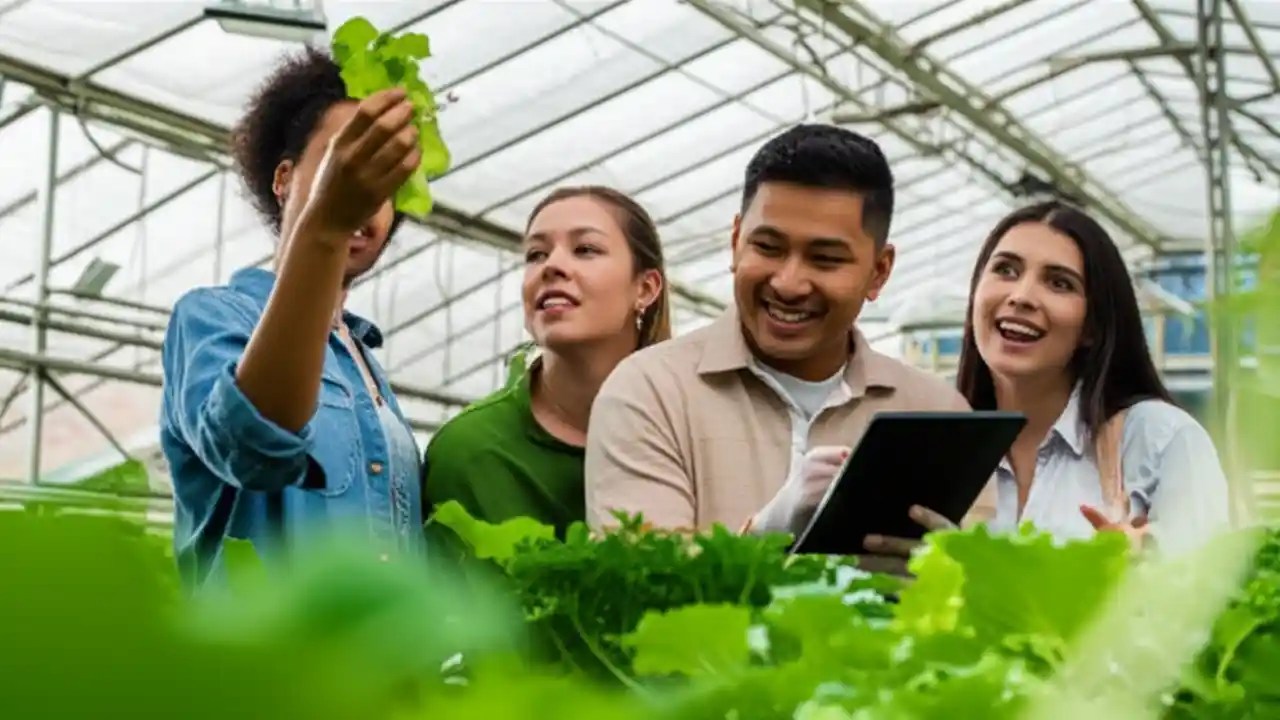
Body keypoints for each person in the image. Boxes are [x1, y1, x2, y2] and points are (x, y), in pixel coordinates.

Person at [583, 124, 972, 568]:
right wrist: (768, 532)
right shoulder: (650, 392)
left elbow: (981, 600)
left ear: (879, 272)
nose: (788, 283)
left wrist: (953, 571)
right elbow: (637, 579)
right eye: (767, 247)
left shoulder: (936, 413)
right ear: (735, 242)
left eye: (825, 259)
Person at [159, 48, 425, 588]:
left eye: (382, 182)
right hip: (262, 667)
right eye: (343, 163)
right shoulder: (213, 317)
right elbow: (252, 448)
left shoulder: (366, 361)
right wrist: (323, 225)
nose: (363, 196)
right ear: (284, 179)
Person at [954, 200, 1230, 555]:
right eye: (1006, 270)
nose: (1021, 297)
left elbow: (1214, 585)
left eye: (1059, 283)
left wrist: (1146, 563)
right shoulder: (939, 446)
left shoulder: (1162, 440)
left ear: (1093, 326)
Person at [423, 186, 671, 539]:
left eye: (586, 249)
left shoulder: (694, 434)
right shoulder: (470, 452)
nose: (552, 265)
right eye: (536, 254)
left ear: (645, 288)